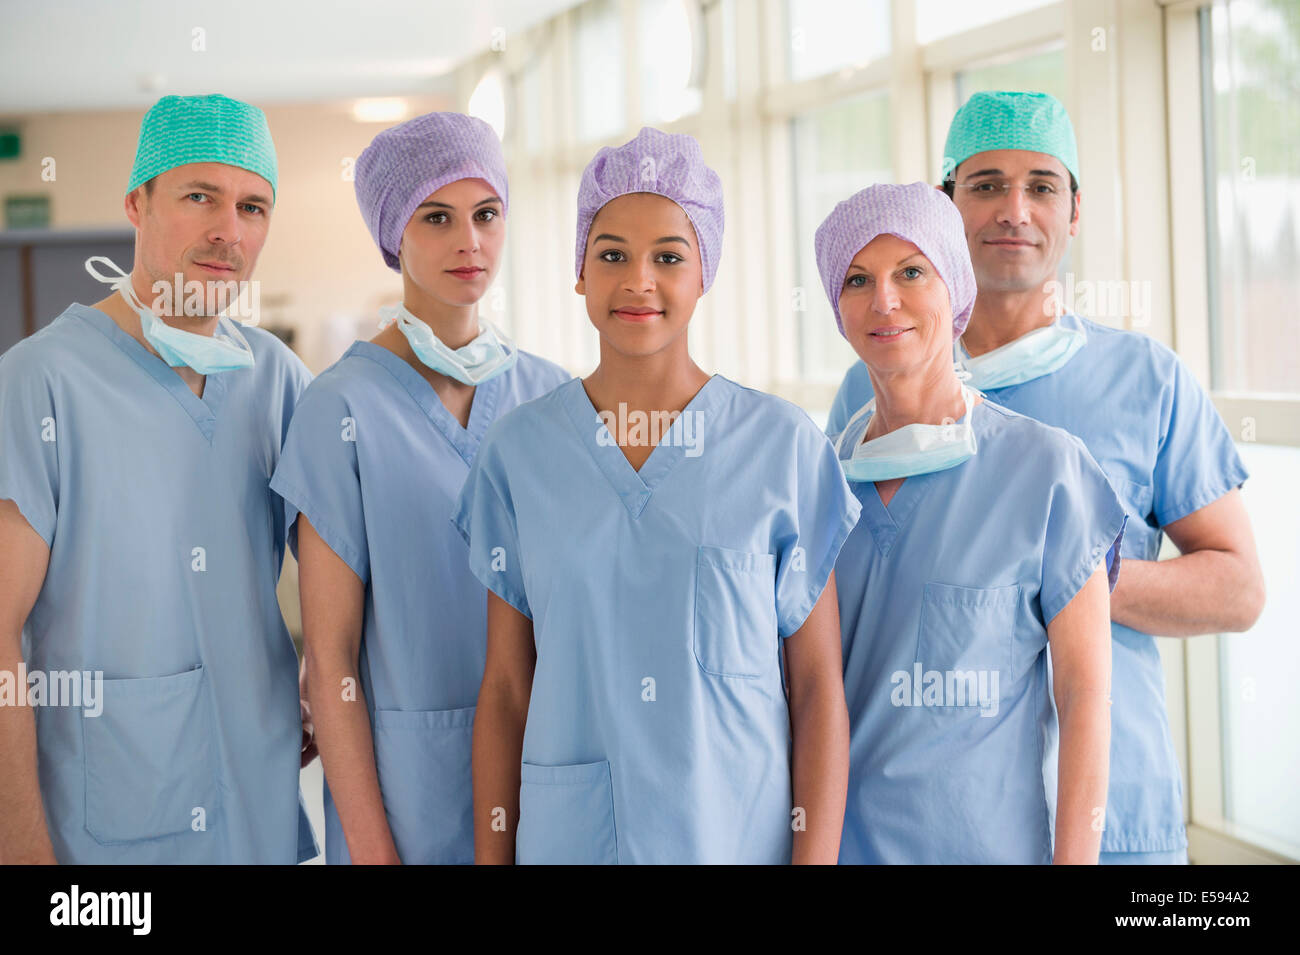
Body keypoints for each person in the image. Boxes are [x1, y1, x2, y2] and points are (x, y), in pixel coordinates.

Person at [825, 92, 1264, 865]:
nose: (1013, 210)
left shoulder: (1144, 380)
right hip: (924, 822)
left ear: (1075, 209)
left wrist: (1054, 586)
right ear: (943, 204)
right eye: (986, 184)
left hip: (1113, 815)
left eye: (1042, 186)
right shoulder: (869, 390)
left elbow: (1238, 587)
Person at [452, 127, 859, 864]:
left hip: (736, 838)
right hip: (572, 840)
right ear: (579, 272)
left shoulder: (783, 448)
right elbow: (508, 688)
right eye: (611, 255)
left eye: (669, 256)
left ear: (705, 272)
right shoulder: (519, 454)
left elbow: (817, 686)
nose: (638, 280)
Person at [0, 93, 318, 863]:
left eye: (253, 206)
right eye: (199, 196)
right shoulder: (41, 381)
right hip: (104, 831)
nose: (228, 231)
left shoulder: (277, 379)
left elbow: (351, 586)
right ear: (137, 204)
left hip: (259, 812)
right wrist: (22, 852)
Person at [270, 111, 569, 865]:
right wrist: (373, 851)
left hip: (554, 776)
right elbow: (330, 661)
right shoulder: (339, 410)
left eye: (487, 213)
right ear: (395, 233)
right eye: (437, 217)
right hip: (409, 797)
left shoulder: (556, 399)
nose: (469, 240)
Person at [821, 182, 1123, 864]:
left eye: (911, 272)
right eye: (858, 279)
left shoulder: (1044, 471)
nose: (884, 301)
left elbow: (1085, 696)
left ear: (954, 286)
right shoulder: (817, 487)